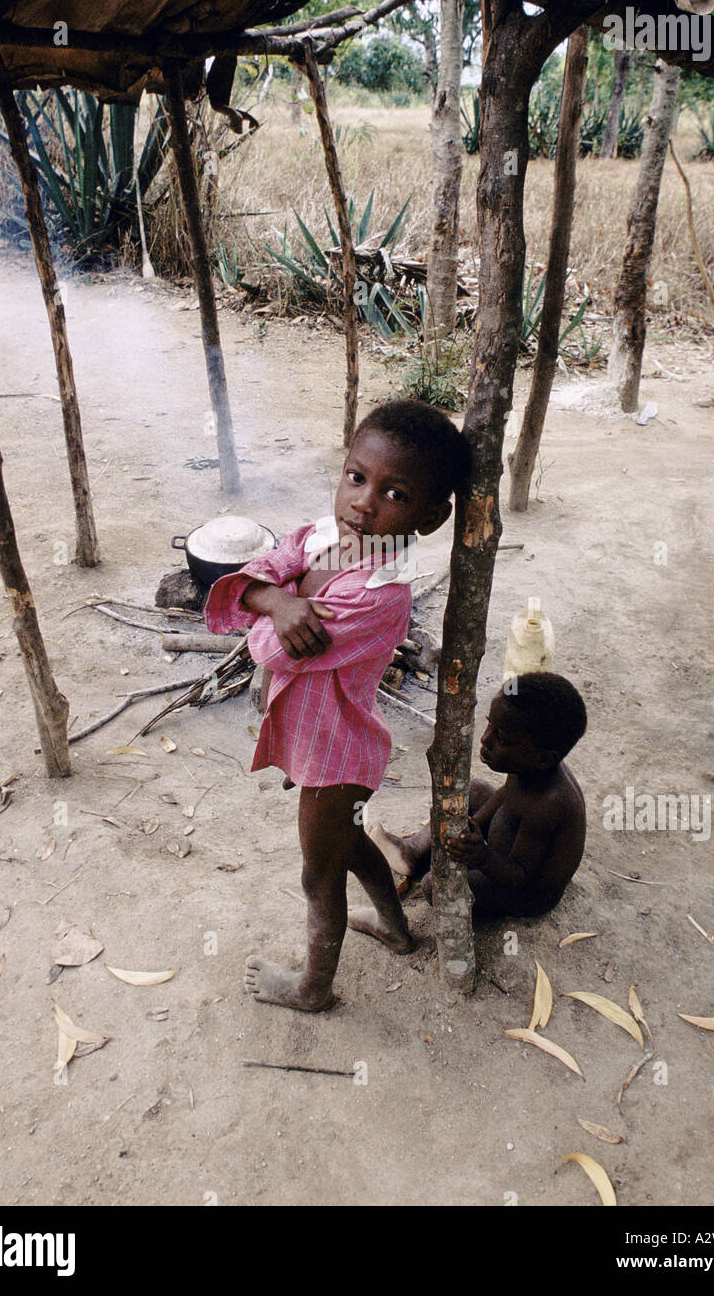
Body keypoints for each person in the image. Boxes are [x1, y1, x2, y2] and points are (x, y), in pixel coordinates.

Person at [204, 400, 471, 1010]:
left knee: (317, 875)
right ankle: (396, 930)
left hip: (333, 758)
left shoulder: (381, 596)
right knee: (348, 849)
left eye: (394, 493)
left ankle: (312, 989)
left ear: (430, 517)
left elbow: (270, 649)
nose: (364, 503)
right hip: (325, 744)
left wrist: (274, 600)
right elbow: (263, 569)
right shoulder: (328, 538)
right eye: (356, 477)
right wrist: (278, 597)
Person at [372, 672, 587, 918]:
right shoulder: (533, 766)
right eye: (489, 724)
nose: (485, 739)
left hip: (524, 892)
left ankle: (440, 867)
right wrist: (476, 823)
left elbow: (520, 875)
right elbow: (507, 792)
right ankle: (412, 852)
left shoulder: (547, 804)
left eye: (502, 739)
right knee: (475, 789)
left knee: (435, 885)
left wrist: (482, 857)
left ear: (543, 758)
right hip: (505, 850)